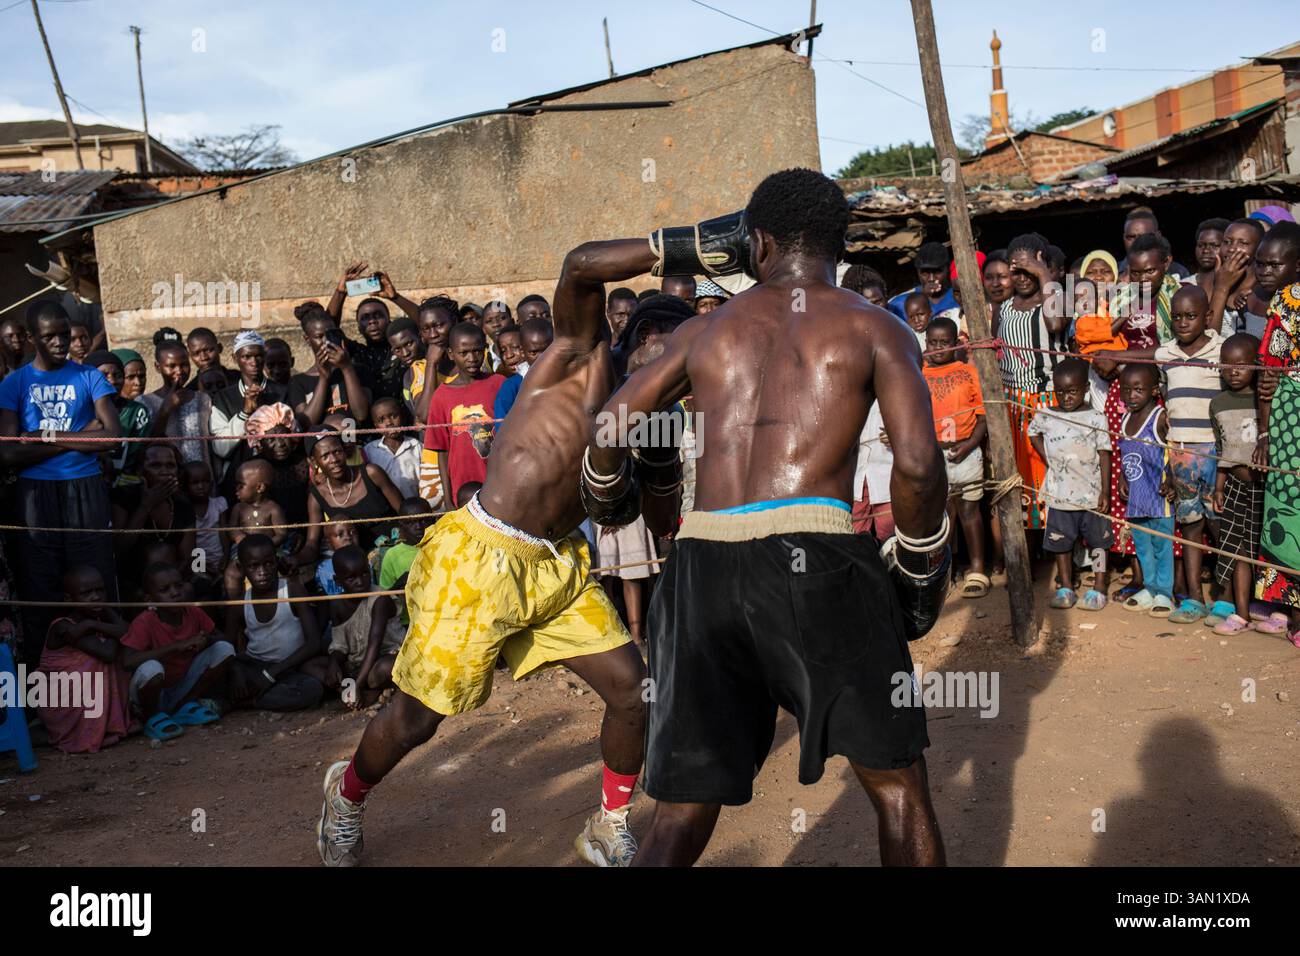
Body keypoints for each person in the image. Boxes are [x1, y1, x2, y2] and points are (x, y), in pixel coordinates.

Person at [583, 167, 948, 867]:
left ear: (759, 244)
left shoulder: (705, 329)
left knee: (682, 806)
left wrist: (608, 496)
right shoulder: (876, 325)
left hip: (703, 563)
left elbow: (608, 429)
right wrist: (921, 564)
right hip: (818, 553)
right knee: (898, 787)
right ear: (839, 246)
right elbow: (920, 466)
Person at [316, 218, 651, 872]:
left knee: (632, 690)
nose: (667, 366)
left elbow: (626, 503)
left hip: (555, 568)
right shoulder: (577, 359)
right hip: (478, 560)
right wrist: (686, 241)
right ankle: (347, 794)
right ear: (635, 341)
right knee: (419, 719)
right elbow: (580, 259)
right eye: (661, 347)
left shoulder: (641, 414)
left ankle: (611, 825)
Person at [0, 300, 122, 663]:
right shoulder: (14, 382)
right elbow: (7, 453)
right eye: (50, 336)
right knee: (42, 585)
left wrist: (45, 436)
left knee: (96, 580)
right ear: (32, 337)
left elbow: (114, 436)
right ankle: (47, 690)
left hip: (85, 488)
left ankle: (109, 683)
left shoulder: (89, 377)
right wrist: (82, 437)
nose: (60, 342)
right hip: (35, 493)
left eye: (65, 335)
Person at [1155, 285, 1223, 624]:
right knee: (1191, 525)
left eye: (1191, 316)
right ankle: (1195, 599)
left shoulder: (1222, 350)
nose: (1183, 322)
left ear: (1207, 317)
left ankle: (1225, 599)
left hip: (1214, 452)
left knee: (1219, 524)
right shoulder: (1164, 355)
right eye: (1177, 317)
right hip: (1180, 452)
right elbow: (1167, 401)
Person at [1028, 359, 1113, 611]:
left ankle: (1099, 587)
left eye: (1072, 391)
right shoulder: (1047, 414)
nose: (1065, 397)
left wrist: (1105, 491)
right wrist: (1048, 457)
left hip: (1091, 495)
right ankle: (1066, 586)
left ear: (1086, 387)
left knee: (1099, 544)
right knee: (1060, 543)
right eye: (1060, 391)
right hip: (1060, 495)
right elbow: (1033, 433)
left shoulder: (1096, 418)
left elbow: (1104, 453)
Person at [998, 232, 1068, 530]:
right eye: (1017, 271)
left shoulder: (1056, 298)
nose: (1023, 278)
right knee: (1023, 481)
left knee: (1057, 477)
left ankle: (1064, 549)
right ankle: (1034, 555)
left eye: (1030, 270)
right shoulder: (1003, 308)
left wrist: (1042, 274)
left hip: (1050, 403)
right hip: (1014, 407)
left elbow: (1055, 324)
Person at [122, 563, 233, 738]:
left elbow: (224, 639)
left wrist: (207, 639)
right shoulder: (144, 621)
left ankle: (184, 706)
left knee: (224, 649)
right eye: (165, 590)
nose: (175, 593)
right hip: (151, 695)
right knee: (152, 668)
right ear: (149, 599)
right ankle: (151, 718)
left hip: (181, 688)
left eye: (179, 586)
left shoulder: (193, 612)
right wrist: (177, 646)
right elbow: (128, 661)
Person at [922, 316, 988, 598]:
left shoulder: (968, 372)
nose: (938, 348)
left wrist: (970, 445)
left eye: (944, 343)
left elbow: (983, 418)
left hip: (966, 450)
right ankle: (944, 573)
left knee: (969, 511)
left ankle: (977, 569)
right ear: (926, 344)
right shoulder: (919, 374)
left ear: (956, 344)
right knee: (943, 515)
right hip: (935, 453)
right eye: (933, 343)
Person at [225, 534, 327, 711]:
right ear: (242, 569)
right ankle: (255, 695)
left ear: (277, 562)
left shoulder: (291, 590)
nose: (262, 571)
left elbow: (314, 643)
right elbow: (225, 648)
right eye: (254, 566)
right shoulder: (240, 604)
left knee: (312, 689)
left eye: (268, 563)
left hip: (289, 666)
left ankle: (251, 702)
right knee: (221, 677)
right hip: (255, 664)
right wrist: (236, 671)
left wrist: (271, 674)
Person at [36, 565, 132, 754]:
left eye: (100, 590)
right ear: (68, 600)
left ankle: (104, 726)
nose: (96, 597)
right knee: (99, 662)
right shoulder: (64, 627)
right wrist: (105, 620)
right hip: (61, 703)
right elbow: (107, 653)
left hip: (87, 703)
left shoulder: (94, 621)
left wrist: (94, 621)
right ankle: (84, 732)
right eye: (86, 593)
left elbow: (129, 632)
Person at [1252, 280, 1300, 646]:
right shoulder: (1290, 300)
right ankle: (1294, 614)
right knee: (1289, 508)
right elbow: (1269, 369)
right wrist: (1265, 435)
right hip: (1292, 419)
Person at [1207, 333, 1263, 635]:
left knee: (1263, 549)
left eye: (1241, 364)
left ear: (1256, 364)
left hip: (1266, 487)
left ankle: (1270, 608)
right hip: (1235, 487)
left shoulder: (1266, 399)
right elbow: (1222, 450)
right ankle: (1242, 613)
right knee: (1238, 549)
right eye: (1226, 365)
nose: (1234, 371)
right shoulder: (1218, 403)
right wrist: (1219, 487)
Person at [423, 322, 505, 505]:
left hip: (500, 481)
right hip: (462, 488)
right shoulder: (441, 396)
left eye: (477, 351)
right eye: (464, 353)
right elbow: (442, 451)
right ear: (451, 354)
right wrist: (448, 499)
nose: (472, 358)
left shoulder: (499, 384)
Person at [1116, 363, 1176, 616]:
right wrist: (1121, 476)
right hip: (1137, 499)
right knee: (1143, 546)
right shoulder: (1125, 418)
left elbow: (1176, 451)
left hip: (1159, 498)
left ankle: (1165, 592)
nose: (1131, 396)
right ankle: (1150, 588)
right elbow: (1126, 453)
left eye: (1138, 390)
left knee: (1162, 546)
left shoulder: (1160, 417)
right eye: (1126, 390)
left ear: (1154, 390)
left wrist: (1173, 478)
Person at [110, 443, 197, 601]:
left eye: (170, 466)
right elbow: (119, 547)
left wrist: (169, 587)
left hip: (173, 582)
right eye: (155, 466)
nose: (164, 472)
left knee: (190, 590)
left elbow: (188, 557)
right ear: (140, 471)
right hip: (135, 582)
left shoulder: (183, 504)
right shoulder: (124, 498)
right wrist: (146, 506)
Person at [321, 545, 404, 709]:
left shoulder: (380, 599)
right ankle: (364, 692)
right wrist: (334, 663)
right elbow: (339, 645)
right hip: (356, 665)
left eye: (365, 574)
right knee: (317, 666)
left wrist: (357, 684)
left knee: (389, 667)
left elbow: (375, 643)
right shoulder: (337, 604)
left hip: (381, 659)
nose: (360, 581)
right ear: (338, 581)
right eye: (351, 578)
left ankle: (358, 691)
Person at [302, 428, 402, 561]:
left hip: (396, 551)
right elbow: (312, 544)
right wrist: (295, 559)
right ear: (314, 462)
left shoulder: (371, 473)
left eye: (337, 451)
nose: (334, 460)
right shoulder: (316, 497)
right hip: (357, 566)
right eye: (325, 456)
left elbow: (405, 512)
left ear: (344, 450)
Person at [210, 330, 284, 479]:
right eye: (246, 357)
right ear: (235, 358)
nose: (254, 362)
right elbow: (220, 448)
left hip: (278, 472)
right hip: (239, 477)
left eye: (258, 356)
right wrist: (245, 414)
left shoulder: (281, 391)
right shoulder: (223, 398)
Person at [140, 335, 213, 472]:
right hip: (166, 478)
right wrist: (165, 410)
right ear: (157, 367)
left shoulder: (202, 400)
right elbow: (146, 443)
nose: (179, 372)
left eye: (184, 365)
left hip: (201, 479)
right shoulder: (144, 403)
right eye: (171, 366)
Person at [289, 310, 372, 427]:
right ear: (307, 339)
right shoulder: (298, 382)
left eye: (330, 335)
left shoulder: (359, 370)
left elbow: (361, 414)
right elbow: (306, 423)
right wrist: (323, 378)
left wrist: (347, 368)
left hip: (357, 441)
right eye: (319, 336)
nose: (326, 341)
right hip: (322, 444)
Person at [87, 349, 152, 483]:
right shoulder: (79, 411)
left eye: (118, 375)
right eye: (104, 375)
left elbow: (138, 456)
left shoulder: (137, 413)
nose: (112, 381)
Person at [377, 497, 435, 627]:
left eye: (424, 520)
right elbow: (384, 598)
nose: (419, 527)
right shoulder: (393, 555)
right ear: (401, 525)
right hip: (408, 622)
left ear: (433, 519)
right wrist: (400, 584)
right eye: (411, 522)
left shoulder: (442, 546)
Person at [1209, 218, 1267, 335]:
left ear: (1259, 249)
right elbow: (1210, 338)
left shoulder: (1264, 290)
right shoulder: (1214, 282)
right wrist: (1221, 288)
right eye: (1227, 241)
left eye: (1243, 243)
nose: (1231, 249)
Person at [221, 458, 286, 558]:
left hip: (269, 551)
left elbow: (281, 534)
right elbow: (232, 529)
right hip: (243, 550)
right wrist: (238, 537)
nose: (236, 489)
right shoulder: (238, 508)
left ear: (259, 487)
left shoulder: (273, 509)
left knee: (282, 566)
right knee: (232, 573)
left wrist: (267, 545)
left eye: (241, 485)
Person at [493, 318, 554, 420]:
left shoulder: (566, 376)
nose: (509, 355)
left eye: (515, 347)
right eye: (534, 352)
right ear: (524, 351)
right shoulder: (512, 386)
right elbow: (502, 424)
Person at [361, 395, 420, 499]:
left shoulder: (416, 446)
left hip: (416, 506)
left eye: (393, 416)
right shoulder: (370, 451)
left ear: (402, 417)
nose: (389, 423)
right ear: (376, 426)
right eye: (381, 420)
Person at [887, 241, 956, 322]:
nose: (931, 279)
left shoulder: (959, 298)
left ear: (948, 269)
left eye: (937, 271)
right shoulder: (898, 304)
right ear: (917, 272)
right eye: (925, 273)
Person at [182, 459, 228, 579]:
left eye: (205, 482)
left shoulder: (219, 504)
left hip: (218, 556)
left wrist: (226, 555)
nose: (201, 486)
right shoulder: (185, 510)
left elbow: (224, 533)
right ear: (185, 486)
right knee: (202, 581)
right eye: (195, 483)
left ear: (212, 484)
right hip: (196, 560)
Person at [1119, 208, 1190, 278]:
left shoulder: (1178, 272)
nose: (1137, 242)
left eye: (1144, 236)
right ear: (1124, 238)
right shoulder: (1112, 272)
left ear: (1158, 236)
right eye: (1131, 237)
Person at [314, 521, 359, 599]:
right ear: (329, 543)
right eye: (340, 534)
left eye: (352, 532)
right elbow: (323, 600)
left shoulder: (368, 560)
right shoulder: (323, 569)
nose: (348, 537)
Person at [1191, 218, 1231, 296]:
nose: (1206, 251)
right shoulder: (1182, 285)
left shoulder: (1238, 287)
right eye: (1201, 245)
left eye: (1214, 246)